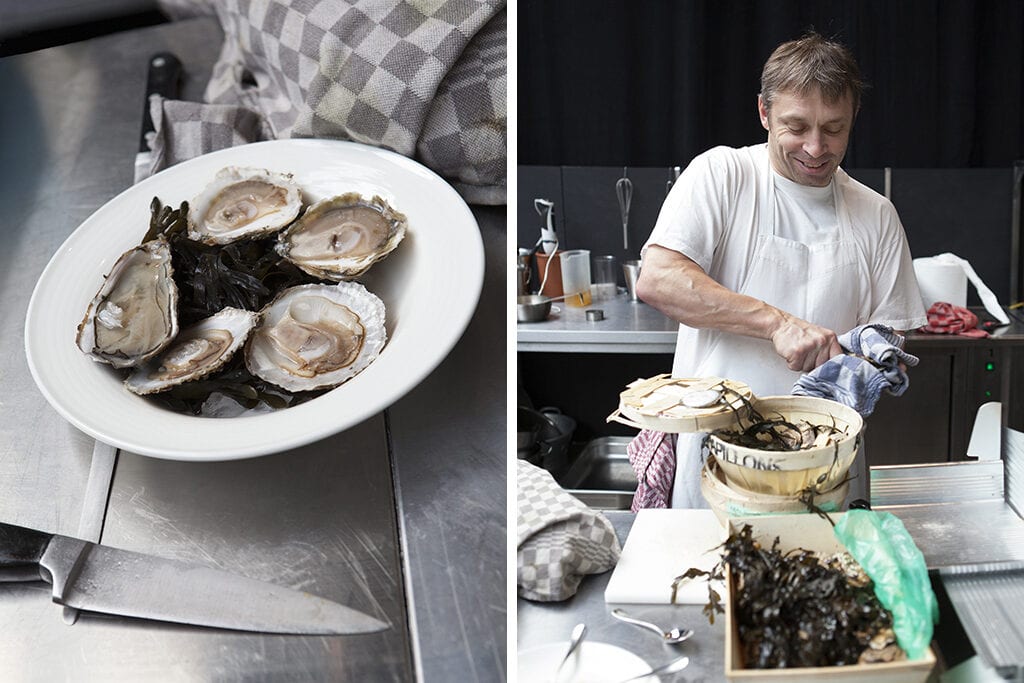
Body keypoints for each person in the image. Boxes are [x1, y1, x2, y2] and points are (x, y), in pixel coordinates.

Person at [634, 32, 928, 508]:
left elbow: (889, 336)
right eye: (797, 126)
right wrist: (778, 323)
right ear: (764, 112)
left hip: (827, 459)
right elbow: (659, 278)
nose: (816, 147)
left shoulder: (875, 214)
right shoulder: (723, 175)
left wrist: (861, 359)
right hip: (720, 459)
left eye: (834, 129)